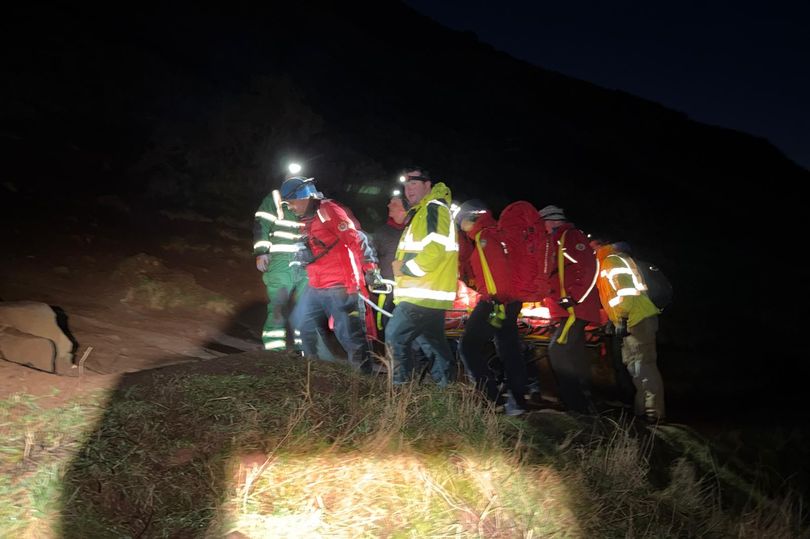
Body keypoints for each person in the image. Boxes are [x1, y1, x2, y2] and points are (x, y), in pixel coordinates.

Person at [282, 176, 380, 373]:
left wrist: (371, 269)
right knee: (302, 322)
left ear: (303, 197)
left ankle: (364, 382)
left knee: (351, 338)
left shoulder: (328, 211)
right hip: (316, 285)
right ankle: (316, 372)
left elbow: (356, 239)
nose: (290, 208)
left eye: (291, 202)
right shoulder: (305, 220)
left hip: (341, 286)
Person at [386, 168, 458, 386]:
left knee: (395, 336)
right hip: (428, 294)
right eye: (406, 185)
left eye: (414, 183)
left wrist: (406, 269)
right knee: (434, 346)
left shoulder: (433, 208)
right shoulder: (424, 211)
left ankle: (400, 391)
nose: (408, 189)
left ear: (428, 185)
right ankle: (448, 391)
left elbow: (435, 250)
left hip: (421, 294)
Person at [456, 200, 528, 415]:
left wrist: (496, 300)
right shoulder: (495, 233)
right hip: (510, 302)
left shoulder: (485, 237)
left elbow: (497, 273)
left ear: (470, 218)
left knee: (468, 346)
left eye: (460, 222)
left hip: (496, 302)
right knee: (509, 350)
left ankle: (491, 398)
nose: (461, 227)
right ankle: (518, 402)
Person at [539, 204, 601, 413]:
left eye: (542, 223)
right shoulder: (558, 240)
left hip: (574, 309)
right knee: (574, 354)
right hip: (570, 308)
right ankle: (584, 404)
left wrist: (573, 297)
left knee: (558, 350)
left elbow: (589, 267)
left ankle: (574, 403)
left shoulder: (570, 237)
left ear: (552, 221)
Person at [595, 240, 665, 421]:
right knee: (635, 366)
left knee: (644, 365)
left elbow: (626, 292)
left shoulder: (610, 261)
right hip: (635, 319)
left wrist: (622, 319)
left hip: (637, 319)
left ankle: (654, 413)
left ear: (599, 247)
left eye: (592, 247)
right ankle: (641, 410)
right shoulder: (610, 261)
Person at [253, 185, 307, 351]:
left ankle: (305, 348)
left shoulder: (312, 202)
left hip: (306, 264)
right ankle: (274, 350)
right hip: (281, 263)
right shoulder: (276, 198)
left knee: (307, 308)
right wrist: (262, 252)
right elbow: (261, 224)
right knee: (278, 307)